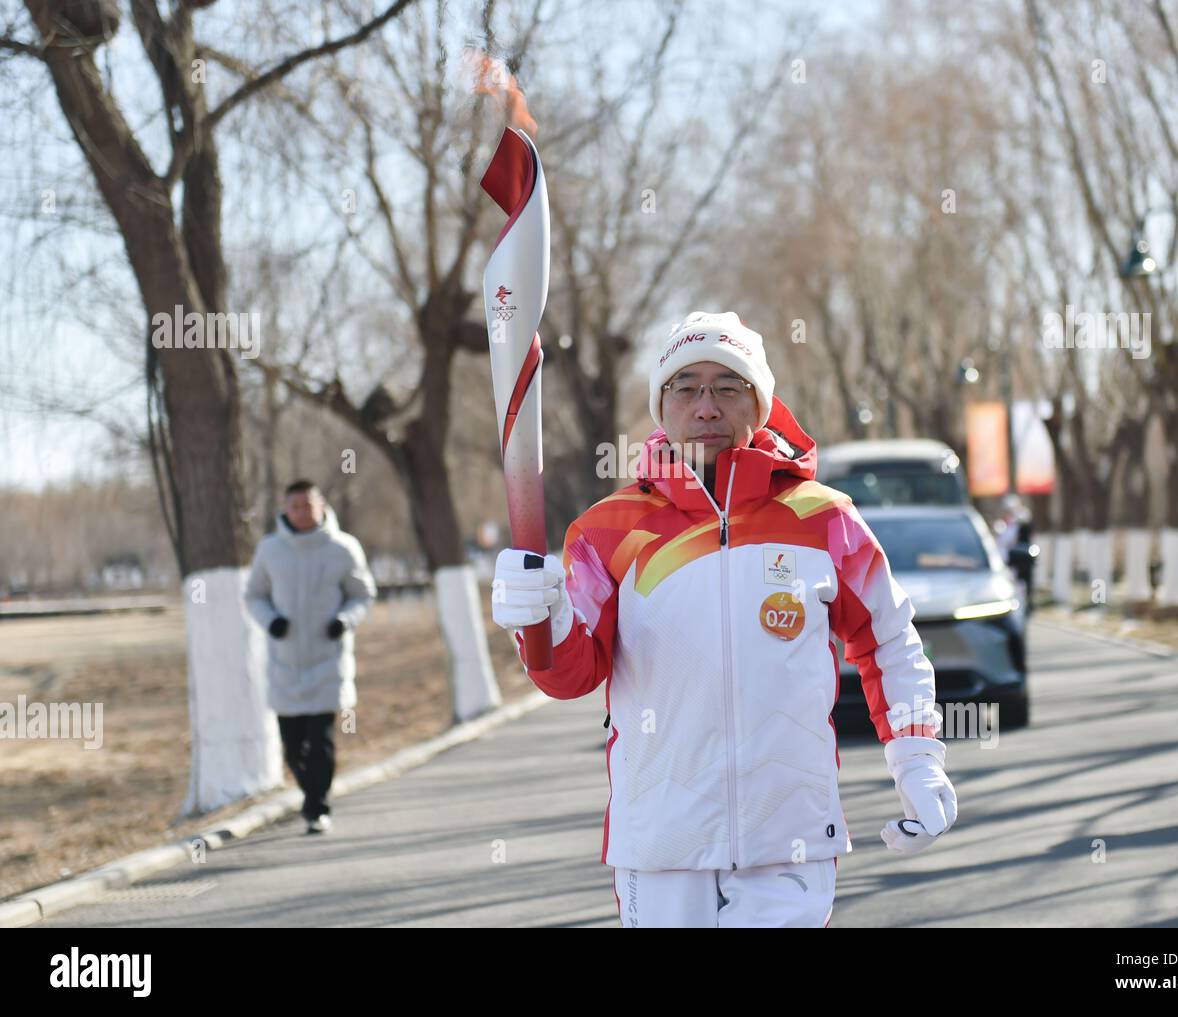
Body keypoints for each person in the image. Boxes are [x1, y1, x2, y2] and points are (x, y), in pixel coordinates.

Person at [491, 311, 957, 927]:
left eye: (727, 386)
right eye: (686, 387)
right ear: (663, 406)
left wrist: (917, 759)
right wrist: (541, 620)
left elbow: (891, 644)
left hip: (788, 835)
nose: (706, 406)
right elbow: (571, 675)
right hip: (660, 842)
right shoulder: (608, 529)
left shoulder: (825, 520)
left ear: (759, 404)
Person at [245, 480, 377, 834]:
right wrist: (271, 621)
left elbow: (362, 594)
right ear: (286, 509)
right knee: (292, 749)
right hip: (285, 662)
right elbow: (254, 595)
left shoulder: (343, 548)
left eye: (308, 505)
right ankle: (311, 794)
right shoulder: (270, 550)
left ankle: (317, 806)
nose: (302, 512)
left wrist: (343, 621)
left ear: (322, 506)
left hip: (327, 660)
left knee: (320, 741)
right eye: (295, 506)